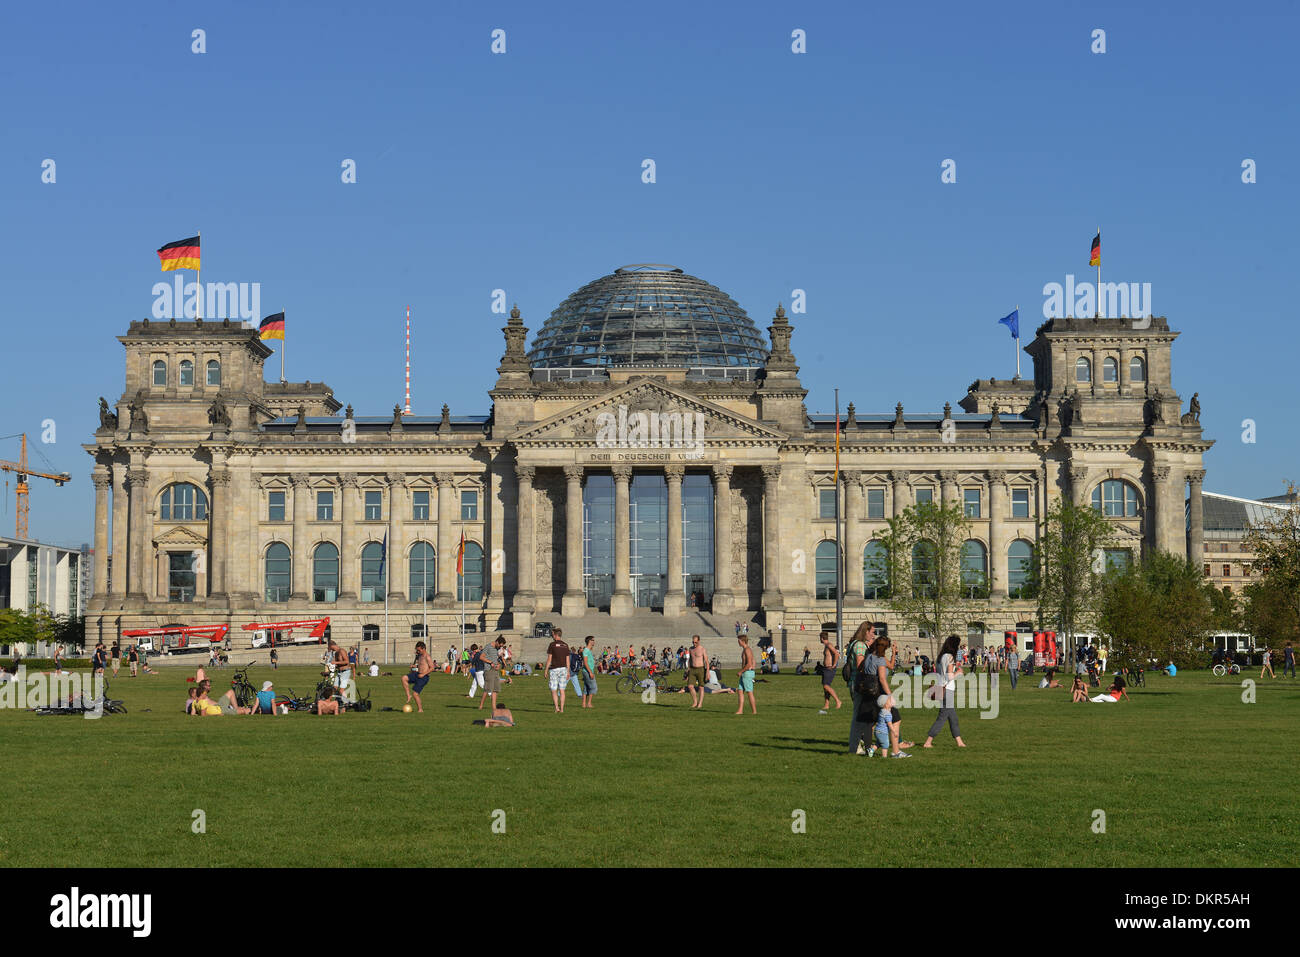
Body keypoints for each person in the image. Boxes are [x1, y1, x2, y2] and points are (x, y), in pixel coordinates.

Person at [923, 635, 966, 749]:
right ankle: (928, 742)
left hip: (941, 688)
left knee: (953, 718)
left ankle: (959, 742)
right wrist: (959, 672)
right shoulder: (950, 657)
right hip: (948, 690)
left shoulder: (940, 657)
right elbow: (950, 676)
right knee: (942, 717)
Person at [845, 621, 875, 755]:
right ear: (866, 631)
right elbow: (860, 665)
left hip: (853, 682)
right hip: (860, 684)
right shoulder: (860, 646)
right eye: (872, 632)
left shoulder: (853, 644)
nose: (873, 635)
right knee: (859, 716)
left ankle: (857, 745)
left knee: (861, 716)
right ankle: (855, 747)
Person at [403, 641, 435, 712]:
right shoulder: (419, 656)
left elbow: (432, 668)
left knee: (415, 694)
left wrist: (423, 674)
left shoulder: (427, 657)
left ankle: (420, 709)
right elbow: (421, 665)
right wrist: (413, 666)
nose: (418, 651)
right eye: (417, 650)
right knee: (404, 678)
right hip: (417, 674)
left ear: (423, 648)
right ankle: (408, 695)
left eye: (419, 650)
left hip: (424, 677)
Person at [545, 627, 571, 713]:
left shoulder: (552, 645)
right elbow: (568, 660)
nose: (552, 636)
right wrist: (568, 671)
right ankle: (562, 709)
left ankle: (557, 708)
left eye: (553, 634)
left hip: (554, 669)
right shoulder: (566, 645)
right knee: (562, 690)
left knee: (554, 689)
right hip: (564, 669)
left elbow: (549, 659)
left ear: (556, 635)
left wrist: (545, 670)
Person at [478, 637, 504, 712]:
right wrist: (490, 663)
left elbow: (496, 659)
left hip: (495, 670)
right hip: (488, 670)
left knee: (495, 689)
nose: (500, 647)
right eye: (500, 645)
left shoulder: (496, 649)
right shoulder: (488, 647)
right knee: (487, 689)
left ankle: (494, 707)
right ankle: (481, 705)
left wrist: (498, 664)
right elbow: (481, 657)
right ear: (497, 642)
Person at [818, 630, 842, 714]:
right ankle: (827, 704)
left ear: (822, 638)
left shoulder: (829, 645)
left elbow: (836, 654)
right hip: (825, 668)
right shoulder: (826, 646)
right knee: (825, 687)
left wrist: (834, 664)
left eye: (819, 638)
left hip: (829, 669)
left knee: (826, 686)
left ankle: (838, 701)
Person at [684, 635, 709, 709]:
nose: (694, 644)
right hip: (692, 669)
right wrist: (688, 669)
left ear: (699, 641)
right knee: (690, 686)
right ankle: (695, 702)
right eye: (693, 642)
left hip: (700, 669)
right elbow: (690, 660)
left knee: (701, 687)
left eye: (696, 642)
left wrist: (707, 672)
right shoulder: (690, 649)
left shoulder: (702, 649)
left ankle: (700, 703)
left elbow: (706, 661)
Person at [735, 634, 757, 715]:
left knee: (749, 692)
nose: (738, 642)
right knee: (740, 691)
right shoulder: (744, 650)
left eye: (739, 641)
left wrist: (741, 671)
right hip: (745, 673)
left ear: (743, 641)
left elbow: (749, 664)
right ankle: (740, 710)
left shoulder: (747, 650)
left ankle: (754, 711)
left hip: (747, 673)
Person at [580, 636, 598, 708]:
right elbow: (585, 663)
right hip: (587, 671)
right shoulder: (586, 651)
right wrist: (590, 672)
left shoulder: (589, 650)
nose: (594, 641)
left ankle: (584, 704)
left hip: (588, 671)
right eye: (593, 640)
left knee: (586, 687)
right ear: (589, 641)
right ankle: (589, 703)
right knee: (593, 687)